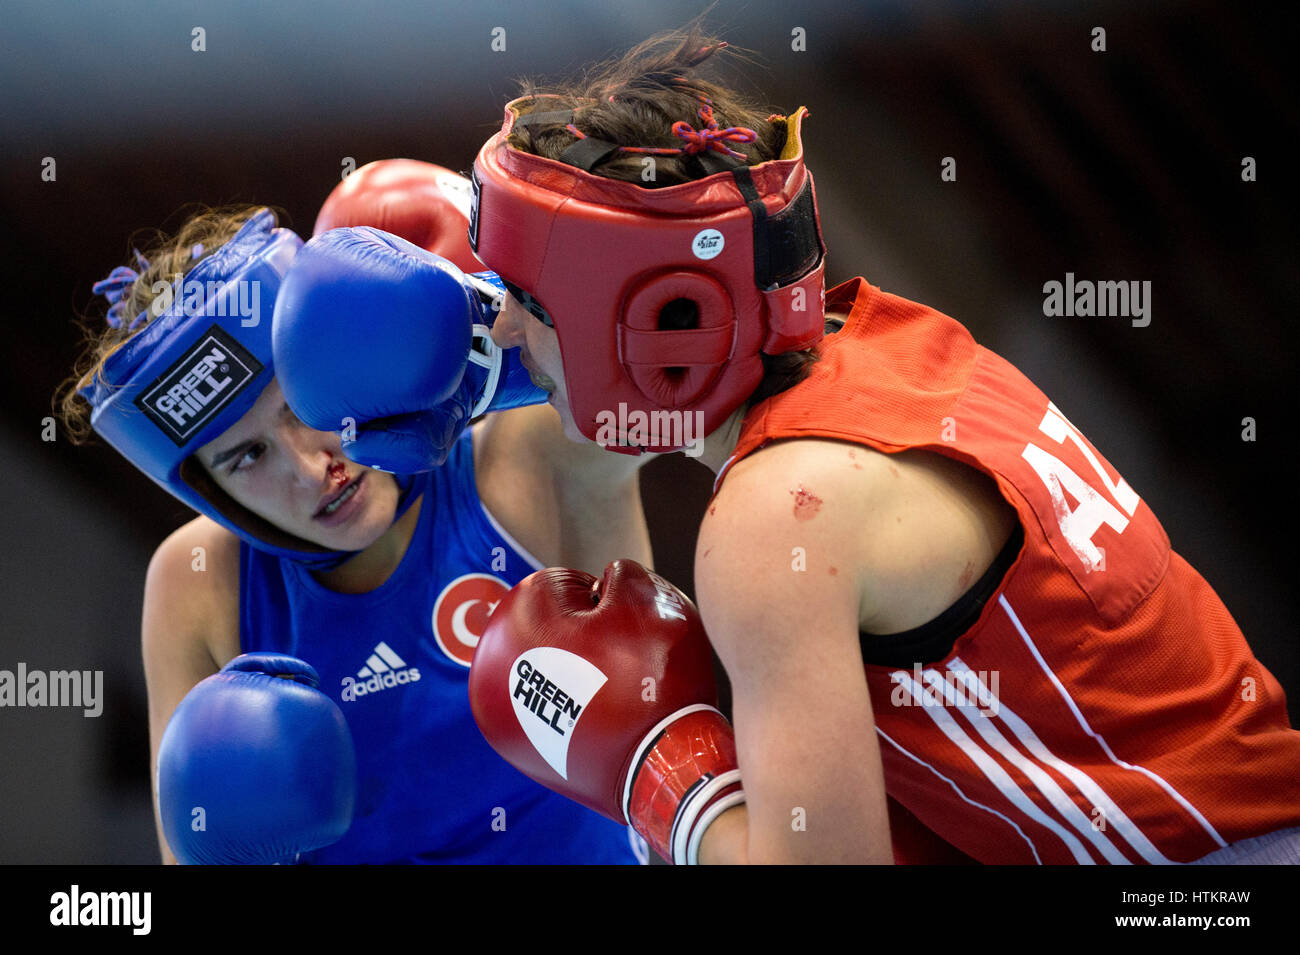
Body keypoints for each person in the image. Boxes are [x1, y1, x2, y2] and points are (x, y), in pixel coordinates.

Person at [459, 30, 1300, 864]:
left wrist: (659, 766)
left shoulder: (778, 517)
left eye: (527, 297)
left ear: (654, 318)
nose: (501, 324)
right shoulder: (892, 342)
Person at [56, 163, 651, 864]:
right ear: (209, 494)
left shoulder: (518, 459)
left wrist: (483, 325)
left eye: (303, 408)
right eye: (246, 458)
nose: (313, 468)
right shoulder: (198, 581)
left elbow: (675, 376)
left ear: (337, 362)